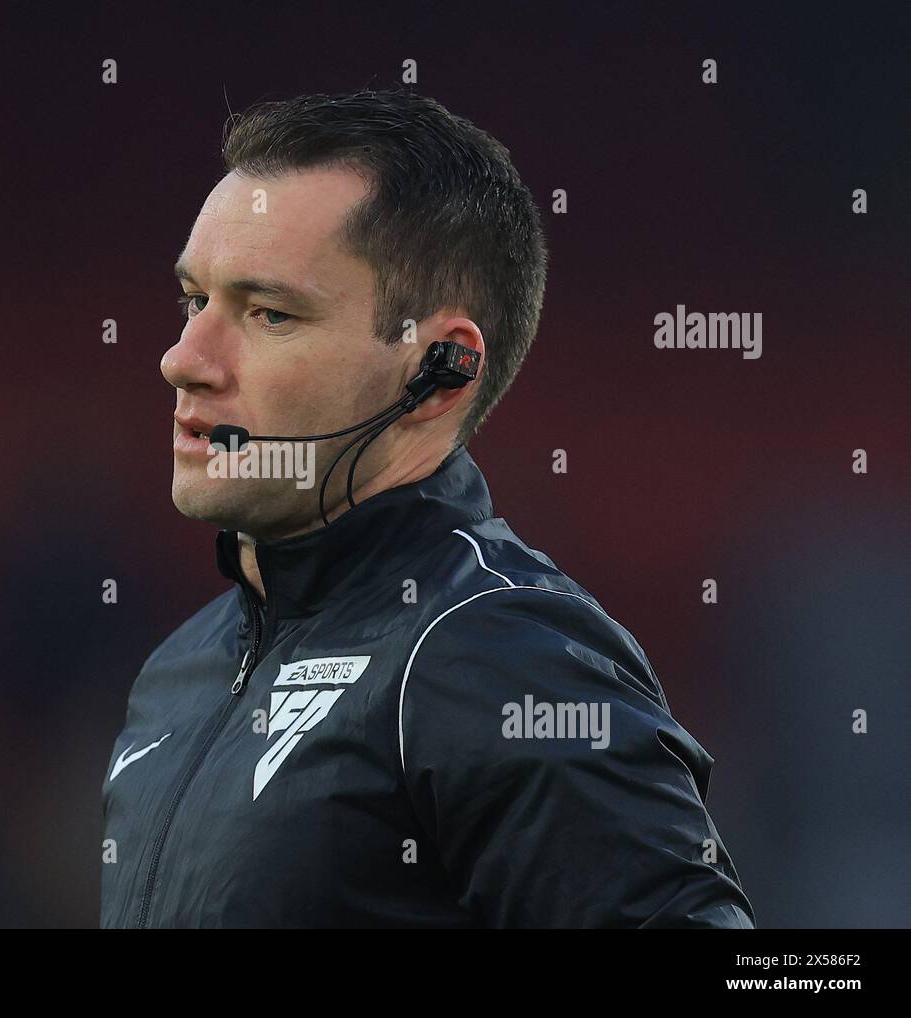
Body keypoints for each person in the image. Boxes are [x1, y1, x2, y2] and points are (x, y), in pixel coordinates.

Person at [100, 88, 755, 928]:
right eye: (195, 301)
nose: (182, 360)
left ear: (439, 371)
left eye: (269, 313)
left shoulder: (495, 651)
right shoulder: (177, 672)